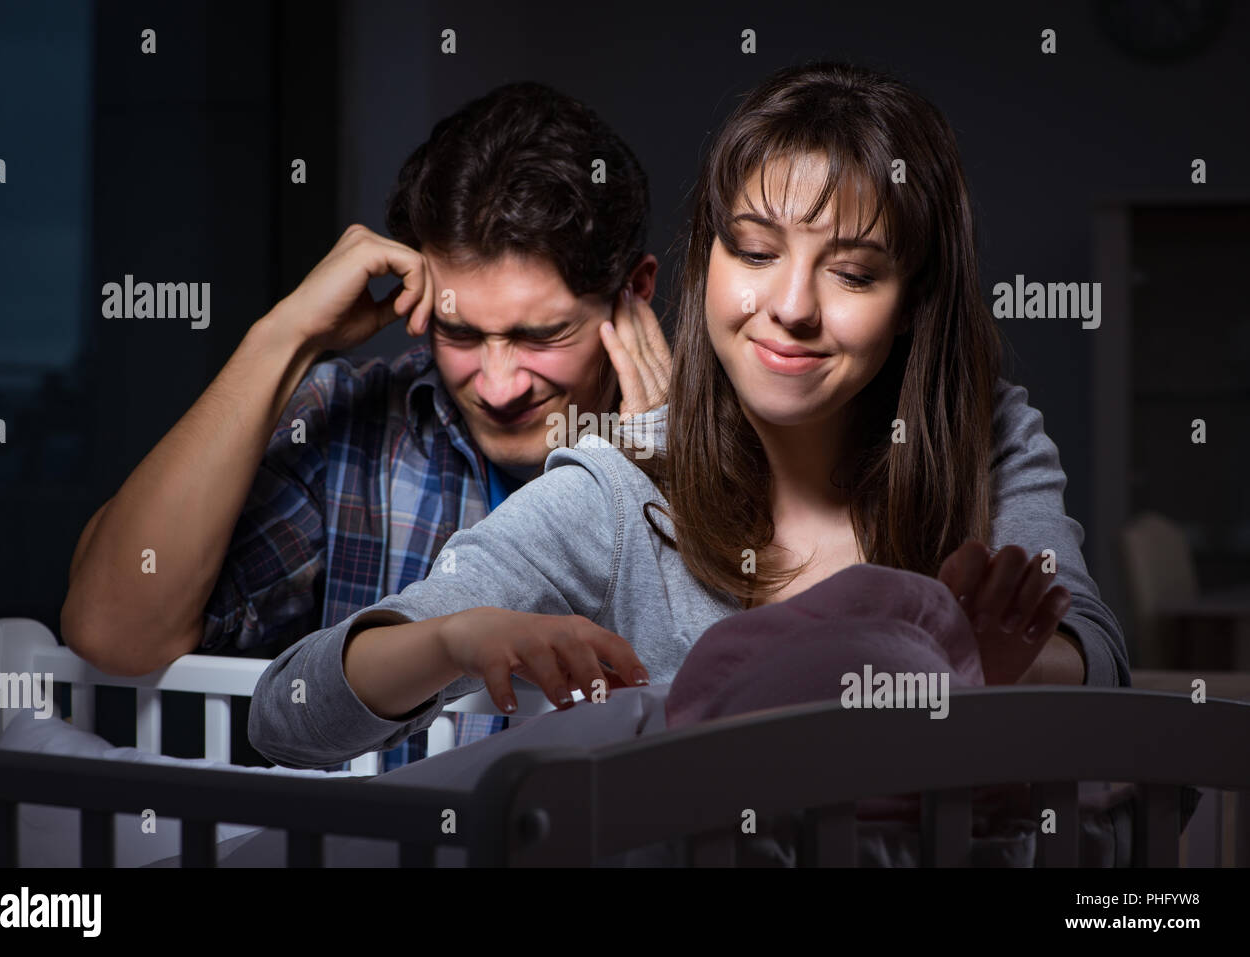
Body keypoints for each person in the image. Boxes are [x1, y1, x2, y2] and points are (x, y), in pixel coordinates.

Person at [247, 61, 1130, 771]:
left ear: (913, 302)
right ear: (705, 260)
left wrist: (999, 663)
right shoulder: (624, 481)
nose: (790, 306)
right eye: (753, 251)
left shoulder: (992, 438)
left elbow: (1094, 658)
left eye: (853, 272)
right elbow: (286, 713)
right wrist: (452, 635)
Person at [59, 82, 672, 768]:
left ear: (635, 291)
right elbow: (111, 629)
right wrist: (282, 339)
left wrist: (661, 469)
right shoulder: (352, 429)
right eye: (458, 329)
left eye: (542, 335)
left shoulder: (730, 451)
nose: (498, 385)